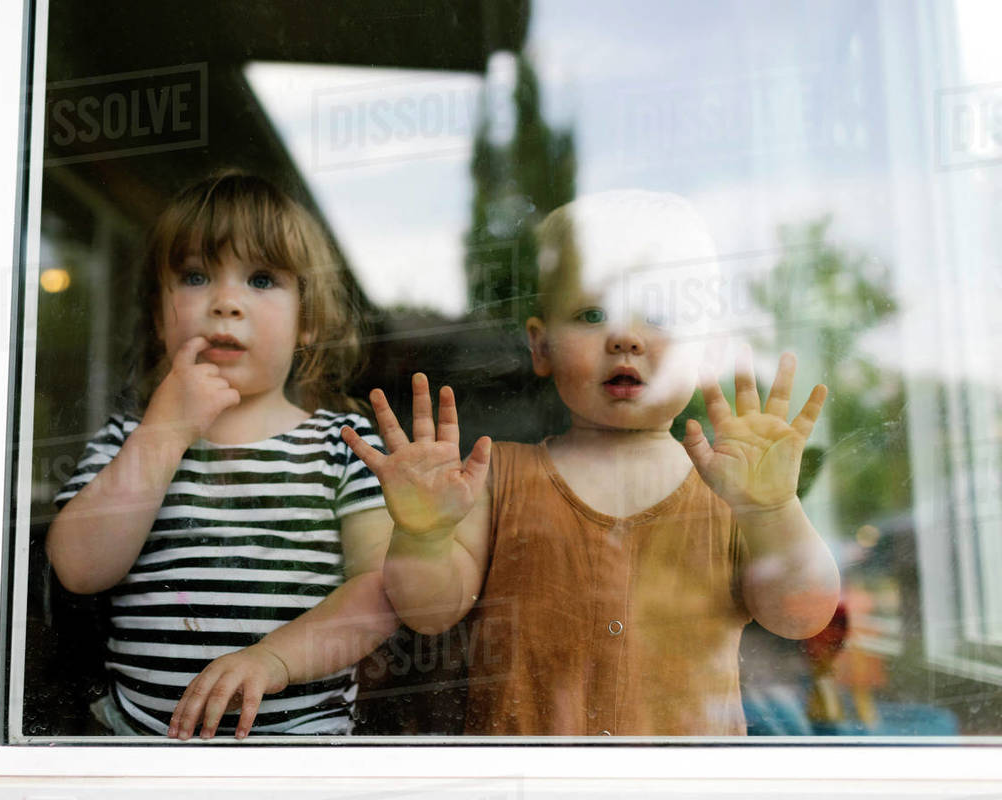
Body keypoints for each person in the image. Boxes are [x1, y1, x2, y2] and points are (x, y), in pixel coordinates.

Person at [342, 190, 841, 735]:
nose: (624, 337)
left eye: (658, 314)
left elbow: (801, 615)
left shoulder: (732, 488)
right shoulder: (497, 479)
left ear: (710, 352)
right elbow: (429, 611)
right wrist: (423, 536)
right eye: (593, 314)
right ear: (541, 347)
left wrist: (772, 511)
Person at [47, 171, 396, 740]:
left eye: (261, 279)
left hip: (298, 755)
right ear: (160, 317)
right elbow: (80, 569)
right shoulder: (130, 440)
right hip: (139, 752)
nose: (226, 303)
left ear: (308, 320)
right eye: (195, 276)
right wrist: (164, 433)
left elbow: (381, 591)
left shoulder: (344, 445)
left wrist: (275, 659)